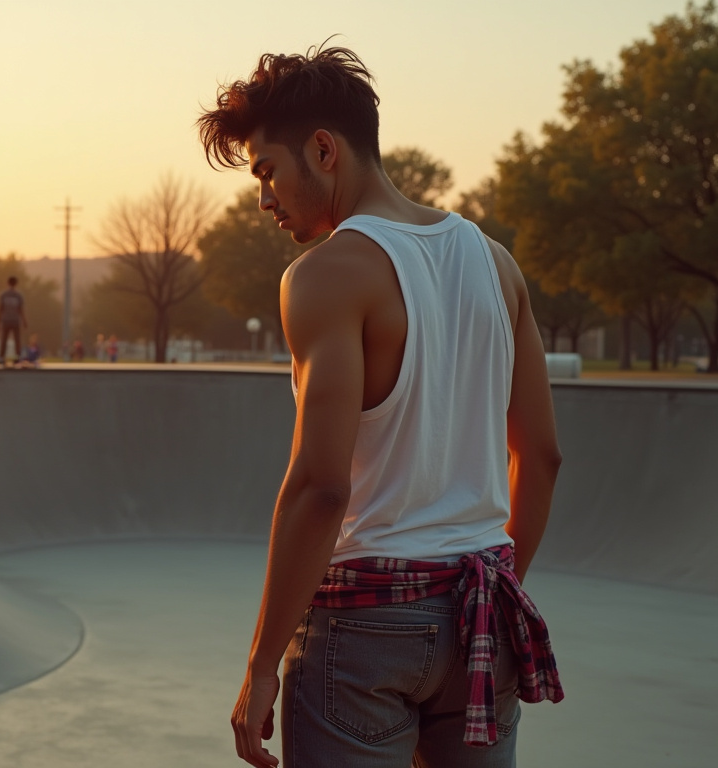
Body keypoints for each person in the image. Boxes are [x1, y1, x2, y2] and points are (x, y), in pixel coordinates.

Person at [198, 46, 563, 767]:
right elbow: (542, 456)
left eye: (267, 172)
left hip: (365, 635)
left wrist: (262, 660)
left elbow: (321, 486)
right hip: (480, 615)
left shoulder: (326, 275)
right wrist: (493, 589)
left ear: (324, 149)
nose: (264, 199)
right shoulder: (497, 264)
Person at [0, 276, 26, 367]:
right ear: (16, 284)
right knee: (14, 340)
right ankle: (16, 356)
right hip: (14, 320)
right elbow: (21, 310)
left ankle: (2, 356)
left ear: (7, 283)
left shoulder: (4, 295)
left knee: (5, 339)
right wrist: (24, 321)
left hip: (7, 320)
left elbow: (0, 309)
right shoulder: (18, 295)